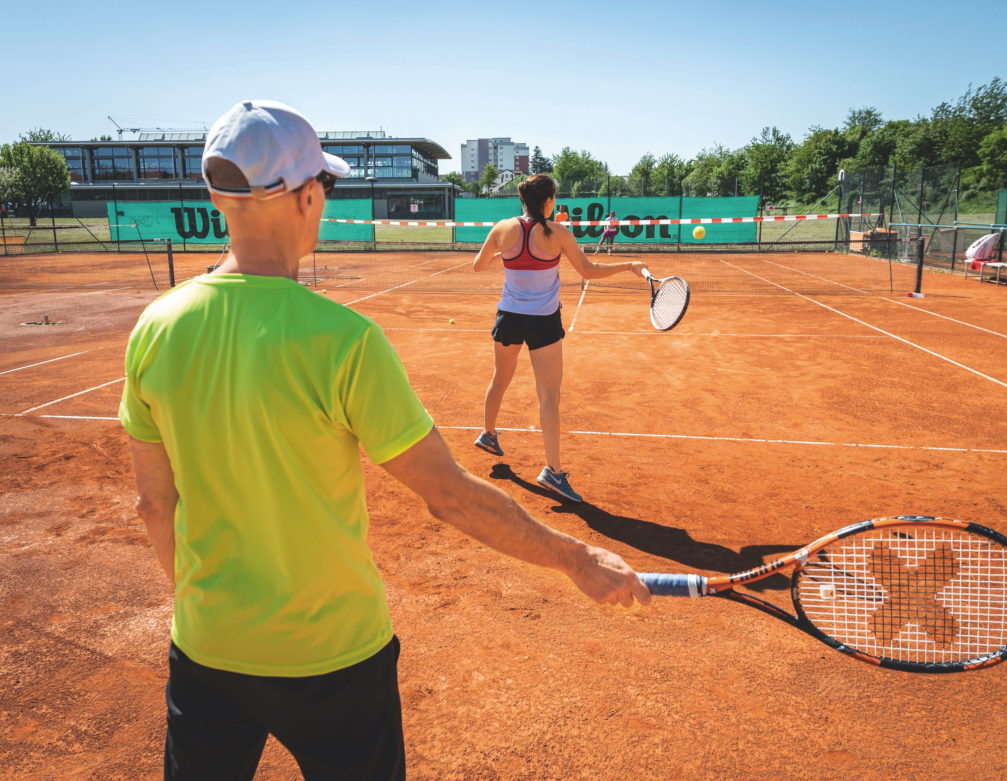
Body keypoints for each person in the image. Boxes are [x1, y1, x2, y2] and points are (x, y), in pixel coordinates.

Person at [119, 101, 650, 781]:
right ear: (307, 196)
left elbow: (153, 507)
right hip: (335, 660)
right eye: (325, 187)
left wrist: (207, 611)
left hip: (206, 652)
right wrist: (574, 558)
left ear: (218, 198)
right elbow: (448, 496)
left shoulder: (154, 329)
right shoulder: (345, 342)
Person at [472, 175, 647, 503]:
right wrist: (630, 265)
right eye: (554, 197)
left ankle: (488, 434)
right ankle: (552, 472)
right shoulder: (559, 233)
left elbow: (477, 266)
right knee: (549, 397)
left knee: (500, 380)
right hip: (543, 323)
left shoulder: (502, 229)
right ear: (548, 201)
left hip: (508, 317)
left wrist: (504, 254)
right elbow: (589, 271)